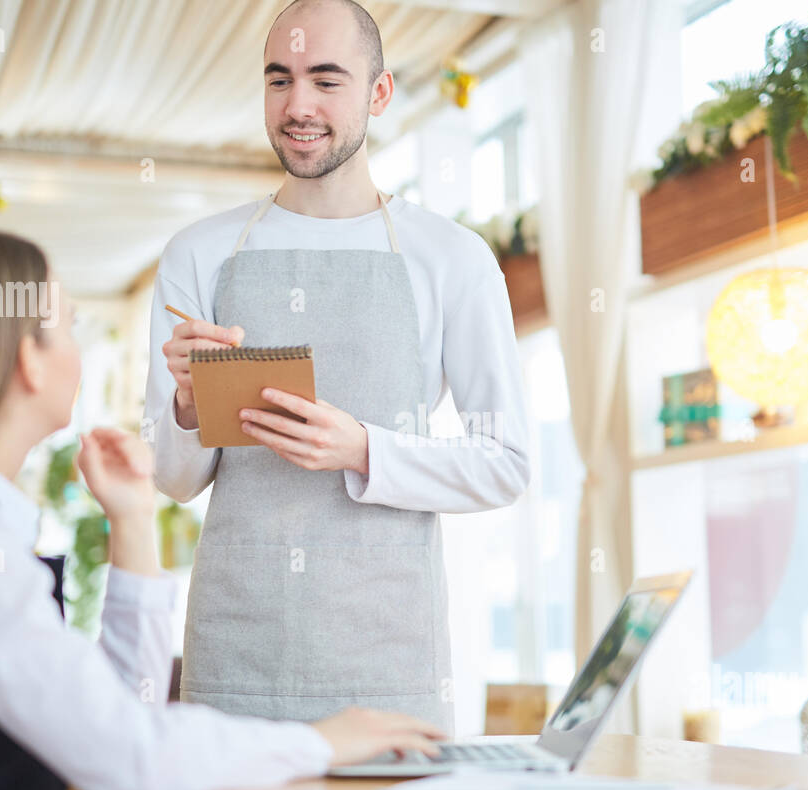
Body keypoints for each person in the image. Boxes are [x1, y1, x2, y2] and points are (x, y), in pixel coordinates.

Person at [0, 228, 443, 790]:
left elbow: (112, 716)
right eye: (70, 326)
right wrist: (321, 743)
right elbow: (131, 763)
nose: (77, 349)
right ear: (28, 359)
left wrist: (132, 521)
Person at [144, 0, 530, 733]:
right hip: (236, 653)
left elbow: (506, 462)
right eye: (279, 80)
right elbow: (174, 479)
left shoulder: (450, 257)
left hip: (388, 659)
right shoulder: (197, 252)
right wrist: (187, 409)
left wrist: (363, 449)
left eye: (327, 81)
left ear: (379, 94)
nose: (299, 106)